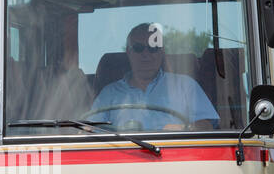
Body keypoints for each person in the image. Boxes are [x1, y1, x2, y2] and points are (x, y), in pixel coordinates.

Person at [88, 23, 218, 131]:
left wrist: (184, 128)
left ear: (162, 52)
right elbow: (89, 130)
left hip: (174, 153)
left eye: (153, 48)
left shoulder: (185, 85)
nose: (146, 54)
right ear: (128, 52)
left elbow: (207, 126)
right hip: (122, 154)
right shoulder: (109, 93)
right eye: (138, 48)